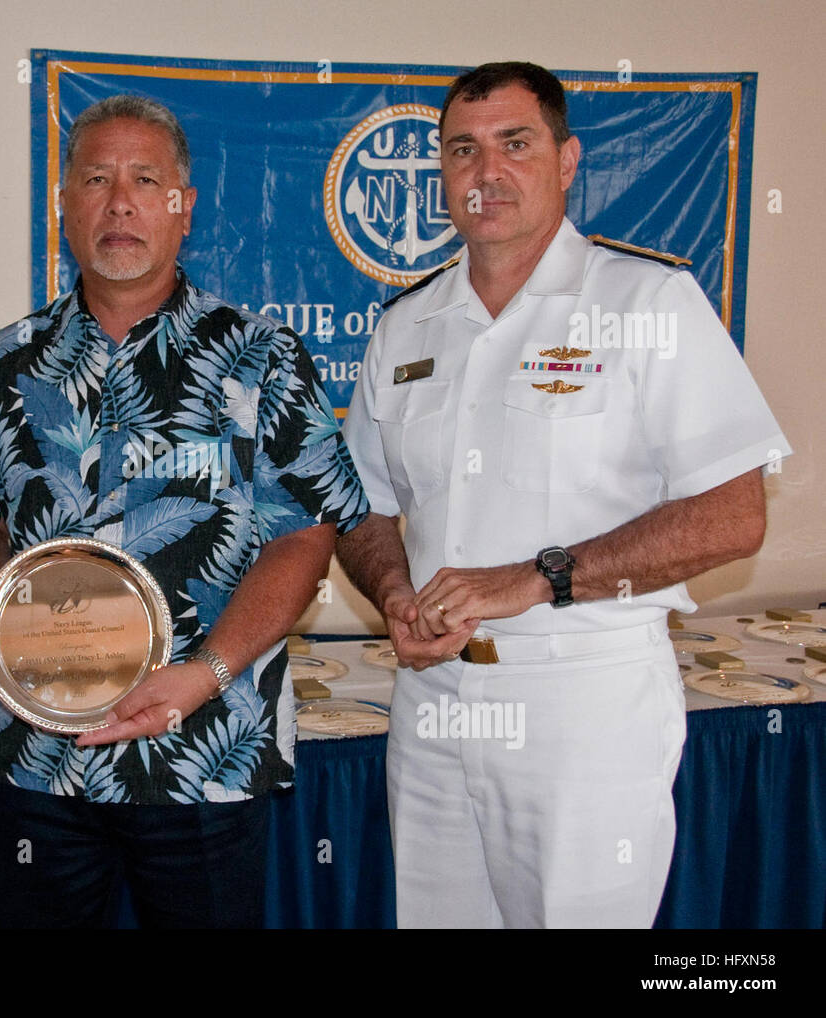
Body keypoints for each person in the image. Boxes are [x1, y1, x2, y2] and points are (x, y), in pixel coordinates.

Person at [336, 61, 790, 929]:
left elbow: (735, 514)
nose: (486, 173)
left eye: (515, 144)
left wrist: (538, 576)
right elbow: (364, 503)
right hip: (434, 700)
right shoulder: (406, 326)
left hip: (579, 704)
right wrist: (393, 591)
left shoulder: (647, 300)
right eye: (462, 151)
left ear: (568, 159)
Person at [0, 94, 368, 928]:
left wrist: (205, 674)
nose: (120, 202)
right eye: (95, 179)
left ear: (183, 206)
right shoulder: (2, 364)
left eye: (145, 180)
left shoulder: (263, 357)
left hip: (206, 754)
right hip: (40, 756)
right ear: (65, 204)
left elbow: (304, 537)